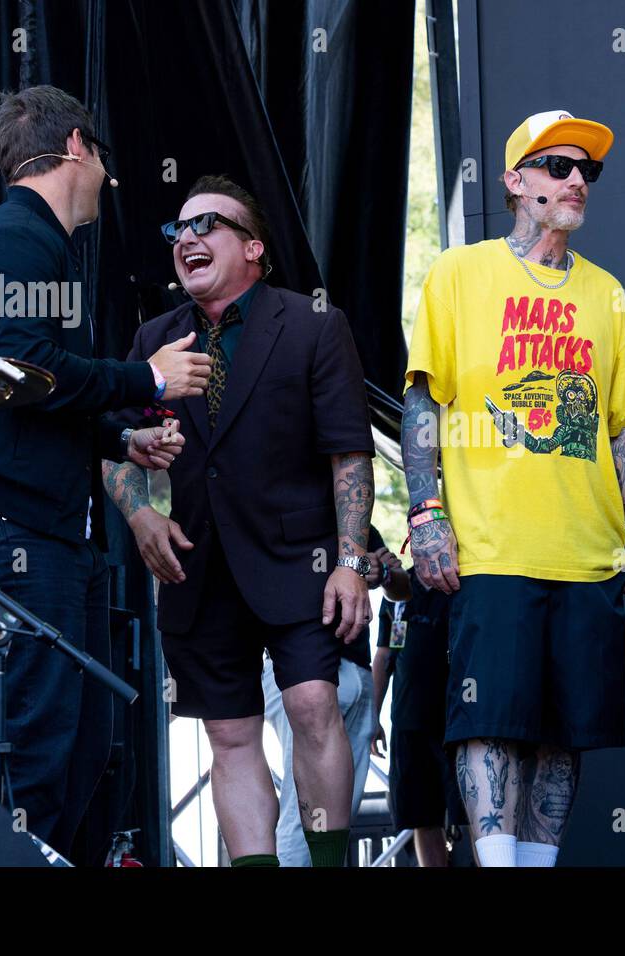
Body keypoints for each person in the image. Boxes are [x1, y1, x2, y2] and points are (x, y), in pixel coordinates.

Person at [0, 85, 203, 860]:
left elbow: (33, 402)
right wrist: (145, 380)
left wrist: (119, 443)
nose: (108, 181)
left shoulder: (40, 245)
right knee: (31, 745)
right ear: (78, 146)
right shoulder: (16, 238)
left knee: (80, 746)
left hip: (49, 531)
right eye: (104, 160)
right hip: (9, 532)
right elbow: (27, 371)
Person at [402, 110, 625, 868]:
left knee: (564, 728)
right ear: (515, 182)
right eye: (556, 164)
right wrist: (426, 513)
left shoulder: (605, 292)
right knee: (491, 718)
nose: (575, 178)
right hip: (490, 544)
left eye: (586, 170)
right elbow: (424, 400)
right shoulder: (461, 272)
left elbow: (622, 424)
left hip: (586, 547)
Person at [103, 174, 375, 868]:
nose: (186, 238)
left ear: (253, 248)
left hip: (300, 562)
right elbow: (112, 448)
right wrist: (140, 517)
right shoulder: (156, 340)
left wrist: (348, 561)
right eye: (178, 230)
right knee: (231, 735)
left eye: (207, 225)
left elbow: (348, 454)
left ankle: (325, 862)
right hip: (197, 565)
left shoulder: (313, 323)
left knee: (314, 704)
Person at [260, 527, 411, 866]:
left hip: (356, 670)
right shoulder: (274, 508)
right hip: (300, 671)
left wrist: (382, 572)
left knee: (339, 815)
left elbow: (403, 589)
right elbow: (282, 577)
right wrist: (352, 566)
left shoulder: (356, 523)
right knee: (306, 813)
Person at [371, 577, 466, 867]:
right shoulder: (398, 589)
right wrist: (372, 719)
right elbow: (385, 655)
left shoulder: (463, 581)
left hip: (459, 723)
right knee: (422, 818)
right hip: (409, 721)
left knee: (472, 814)